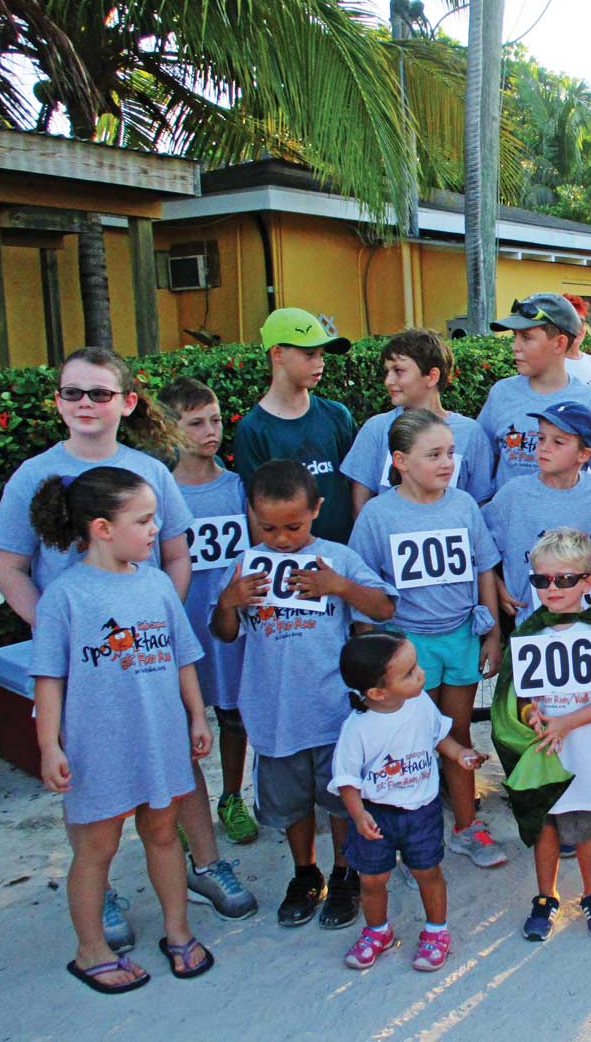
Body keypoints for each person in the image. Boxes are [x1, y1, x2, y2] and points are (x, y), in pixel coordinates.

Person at [0, 346, 196, 952]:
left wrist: (156, 621)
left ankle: (190, 894)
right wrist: (61, 638)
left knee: (164, 803)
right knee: (94, 807)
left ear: (126, 402)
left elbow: (177, 555)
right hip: (86, 671)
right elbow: (11, 568)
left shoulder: (150, 471)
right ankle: (98, 902)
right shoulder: (33, 475)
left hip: (144, 662)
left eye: (99, 392)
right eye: (72, 392)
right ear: (57, 401)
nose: (85, 403)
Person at [28, 468, 214, 993]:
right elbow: (49, 678)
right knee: (96, 850)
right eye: (145, 519)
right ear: (102, 527)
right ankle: (91, 951)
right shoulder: (65, 596)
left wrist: (197, 715)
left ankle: (177, 931)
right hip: (96, 748)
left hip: (160, 740)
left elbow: (182, 659)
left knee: (162, 834)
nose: (157, 529)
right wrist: (49, 747)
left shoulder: (155, 583)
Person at [210, 460, 396, 931]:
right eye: (267, 526)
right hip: (274, 713)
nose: (281, 538)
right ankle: (305, 873)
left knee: (339, 799)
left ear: (315, 509)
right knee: (290, 805)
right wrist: (227, 602)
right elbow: (225, 635)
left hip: (332, 710)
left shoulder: (335, 557)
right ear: (251, 513)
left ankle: (344, 871)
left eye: (293, 525)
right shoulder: (245, 566)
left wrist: (339, 585)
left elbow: (384, 606)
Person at [348, 410, 508, 868]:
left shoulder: (462, 506)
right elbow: (365, 583)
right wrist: (370, 645)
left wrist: (493, 632)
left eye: (451, 454)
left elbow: (483, 568)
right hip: (404, 645)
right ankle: (401, 833)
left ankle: (465, 826)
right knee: (405, 739)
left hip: (458, 637)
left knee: (456, 733)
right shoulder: (378, 515)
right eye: (434, 454)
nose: (447, 463)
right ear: (400, 460)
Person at [489, 529, 591, 942]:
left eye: (564, 580)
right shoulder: (528, 633)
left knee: (584, 829)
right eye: (541, 580)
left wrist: (566, 722)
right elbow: (518, 695)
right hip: (545, 753)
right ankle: (546, 897)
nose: (552, 589)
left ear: (588, 581)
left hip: (586, 754)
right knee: (545, 827)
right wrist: (530, 714)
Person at [156, 378, 260, 920]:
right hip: (182, 626)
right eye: (196, 422)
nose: (210, 431)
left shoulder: (237, 486)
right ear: (171, 427)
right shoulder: (158, 489)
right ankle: (182, 803)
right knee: (181, 721)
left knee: (234, 715)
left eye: (216, 420)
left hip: (233, 624)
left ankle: (232, 796)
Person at [328, 632, 488, 972]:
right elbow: (346, 780)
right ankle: (377, 931)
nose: (421, 675)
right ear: (377, 693)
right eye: (410, 672)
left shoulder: (419, 704)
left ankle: (436, 931)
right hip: (376, 814)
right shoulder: (357, 729)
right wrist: (358, 816)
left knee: (428, 872)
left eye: (416, 667)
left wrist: (460, 754)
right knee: (372, 880)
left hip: (422, 811)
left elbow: (438, 736)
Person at [481, 292, 591, 517]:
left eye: (526, 338)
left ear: (559, 344)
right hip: (510, 538)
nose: (515, 346)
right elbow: (484, 462)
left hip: (568, 542)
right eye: (515, 336)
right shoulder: (501, 394)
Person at [233, 307, 356, 543]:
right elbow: (256, 507)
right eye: (309, 354)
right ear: (277, 353)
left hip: (344, 555)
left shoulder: (337, 415)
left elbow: (356, 487)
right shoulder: (253, 429)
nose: (319, 363)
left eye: (321, 354)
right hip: (289, 559)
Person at [340, 329, 494, 513]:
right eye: (387, 371)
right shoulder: (377, 428)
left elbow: (479, 504)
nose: (388, 381)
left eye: (398, 371)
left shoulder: (470, 432)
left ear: (432, 376)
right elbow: (361, 502)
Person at [483, 402, 591, 629]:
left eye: (558, 442)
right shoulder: (514, 493)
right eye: (541, 438)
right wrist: (496, 585)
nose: (544, 447)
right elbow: (480, 543)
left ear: (584, 454)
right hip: (529, 621)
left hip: (586, 620)